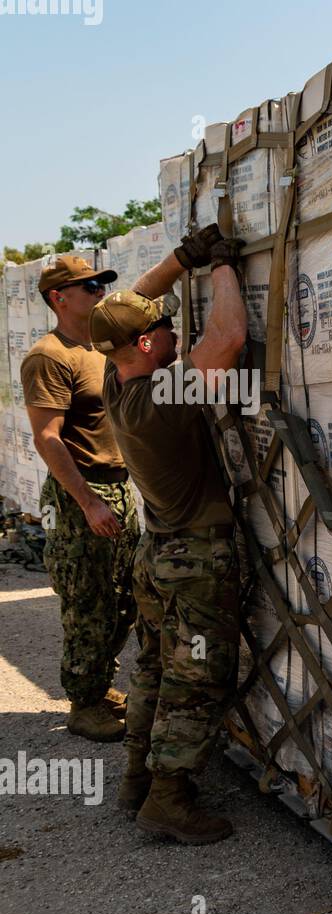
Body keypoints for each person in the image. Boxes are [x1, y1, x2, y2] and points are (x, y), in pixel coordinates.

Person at [89, 224, 246, 843]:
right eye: (166, 329)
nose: (176, 332)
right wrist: (222, 266)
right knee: (196, 679)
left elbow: (120, 309)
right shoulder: (165, 395)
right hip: (197, 562)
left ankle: (136, 783)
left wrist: (182, 257)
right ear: (150, 343)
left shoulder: (117, 378)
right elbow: (228, 339)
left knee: (154, 670)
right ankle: (170, 801)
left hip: (158, 554)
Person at [22, 254, 138, 742]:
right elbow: (47, 438)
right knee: (88, 602)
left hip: (119, 485)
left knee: (126, 599)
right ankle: (84, 702)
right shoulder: (49, 356)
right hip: (81, 493)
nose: (98, 292)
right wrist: (88, 502)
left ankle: (99, 683)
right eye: (88, 286)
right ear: (58, 298)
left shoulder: (102, 346)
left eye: (100, 284)